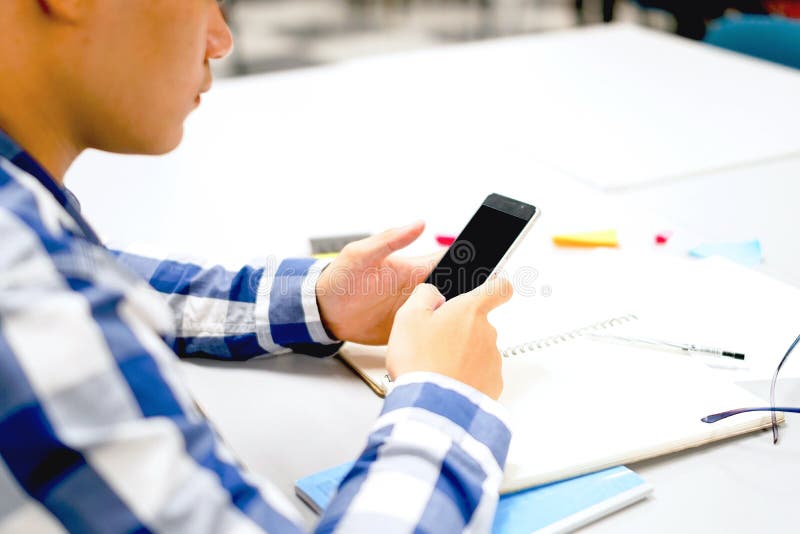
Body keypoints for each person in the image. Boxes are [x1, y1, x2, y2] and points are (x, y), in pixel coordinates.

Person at [0, 1, 514, 532]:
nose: (221, 40)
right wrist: (444, 402)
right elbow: (49, 287)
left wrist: (317, 302)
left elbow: (98, 268)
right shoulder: (28, 298)